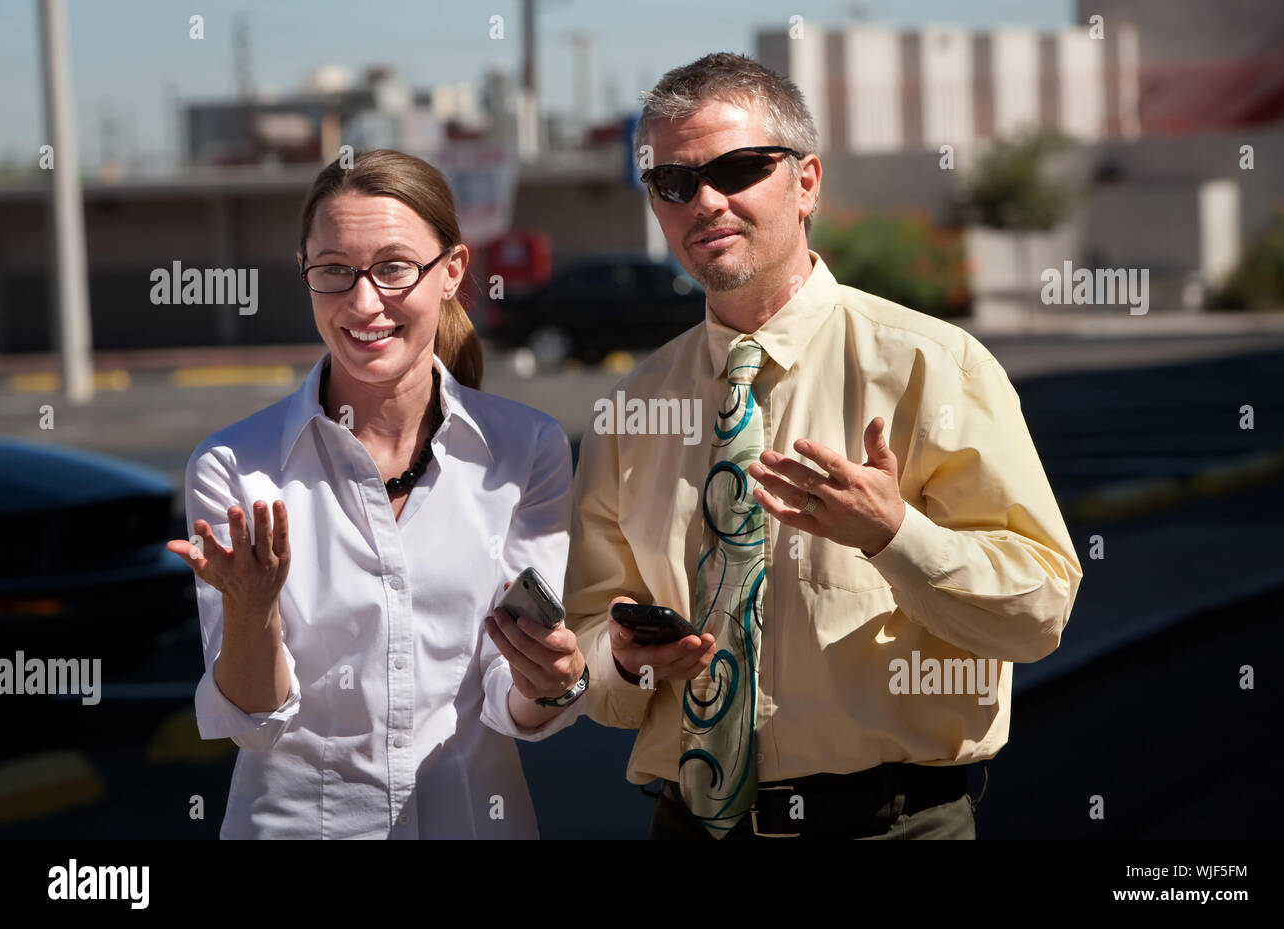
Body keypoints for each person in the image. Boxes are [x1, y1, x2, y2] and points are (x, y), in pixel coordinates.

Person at [564, 53, 1083, 839]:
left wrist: (895, 536)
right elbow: (591, 646)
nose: (705, 200)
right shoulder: (631, 412)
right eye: (673, 182)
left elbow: (1039, 610)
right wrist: (630, 661)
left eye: (737, 169)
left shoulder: (932, 368)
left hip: (887, 826)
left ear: (806, 182)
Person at [166, 149, 588, 839]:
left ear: (451, 271)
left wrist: (550, 679)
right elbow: (253, 718)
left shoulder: (526, 449)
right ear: (305, 272)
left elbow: (512, 702)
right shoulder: (235, 467)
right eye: (334, 270)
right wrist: (251, 610)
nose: (364, 303)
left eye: (394, 267)